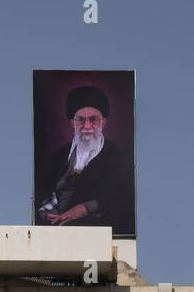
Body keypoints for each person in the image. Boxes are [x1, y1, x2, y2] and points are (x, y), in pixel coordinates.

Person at [35, 84, 134, 233]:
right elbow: (43, 197)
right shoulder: (56, 157)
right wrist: (45, 212)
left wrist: (85, 208)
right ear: (72, 123)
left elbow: (121, 198)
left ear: (104, 122)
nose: (87, 126)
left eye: (94, 119)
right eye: (80, 120)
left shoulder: (118, 158)